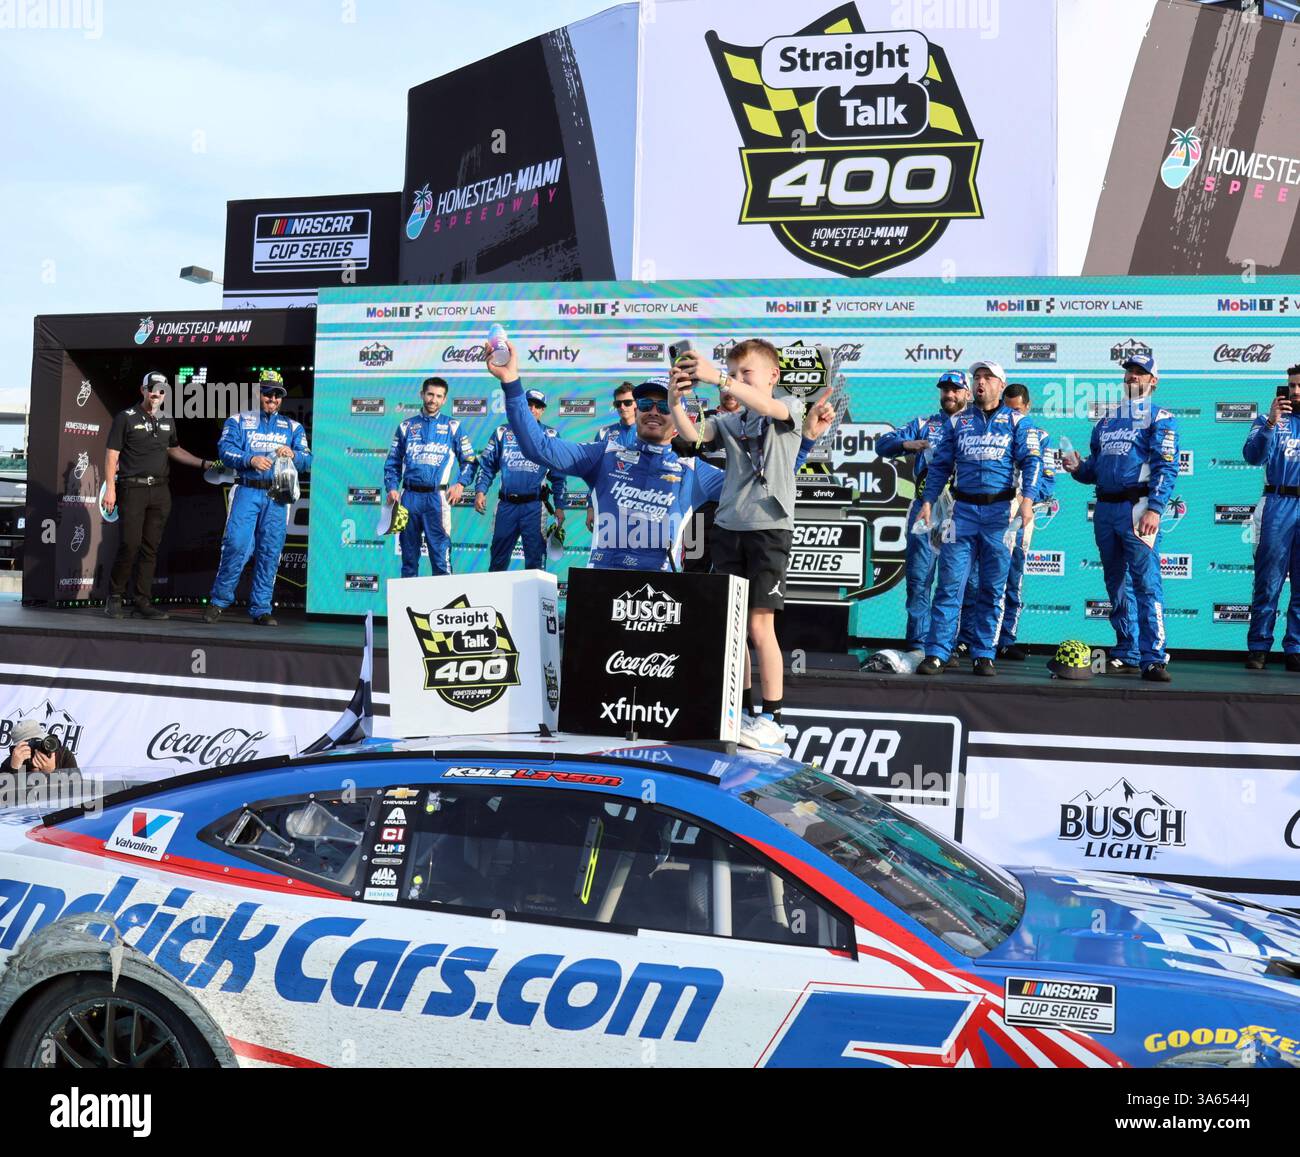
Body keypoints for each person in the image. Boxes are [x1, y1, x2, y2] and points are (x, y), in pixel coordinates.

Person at [668, 339, 817, 753]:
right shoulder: (733, 422)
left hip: (768, 529)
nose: (735, 382)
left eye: (744, 374)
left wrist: (718, 378)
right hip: (728, 526)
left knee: (758, 626)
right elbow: (693, 434)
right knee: (734, 627)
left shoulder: (789, 405)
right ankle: (745, 711)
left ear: (773, 376)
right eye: (732, 374)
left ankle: (774, 718)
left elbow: (768, 407)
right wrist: (674, 396)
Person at [913, 361, 1041, 677]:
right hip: (963, 513)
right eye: (977, 377)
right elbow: (941, 466)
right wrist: (928, 501)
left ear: (1001, 385)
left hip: (999, 514)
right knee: (950, 584)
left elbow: (1032, 463)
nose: (981, 382)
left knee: (992, 587)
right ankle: (937, 652)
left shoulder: (1018, 422)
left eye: (988, 377)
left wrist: (1027, 502)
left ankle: (984, 653)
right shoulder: (957, 423)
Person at [1061, 353, 1178, 682]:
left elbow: (1166, 467)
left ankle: (1154, 657)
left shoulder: (1161, 418)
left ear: (1153, 381)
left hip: (1138, 508)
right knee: (1115, 583)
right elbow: (1093, 471)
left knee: (1146, 583)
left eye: (1140, 373)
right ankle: (1127, 649)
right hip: (1106, 510)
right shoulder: (1107, 421)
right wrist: (1076, 468)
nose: (1132, 378)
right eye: (1128, 372)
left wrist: (1155, 508)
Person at [203, 371, 312, 626]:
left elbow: (308, 459)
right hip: (246, 489)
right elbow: (225, 450)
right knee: (237, 545)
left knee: (270, 551)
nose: (272, 398)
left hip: (277, 494)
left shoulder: (293, 427)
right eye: (267, 393)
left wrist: (294, 455)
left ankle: (261, 608)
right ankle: (219, 602)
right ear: (257, 394)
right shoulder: (237, 420)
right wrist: (249, 459)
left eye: (277, 394)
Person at [102, 370, 212, 621]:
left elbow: (174, 449)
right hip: (133, 487)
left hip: (161, 490)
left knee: (151, 548)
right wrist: (110, 488)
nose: (157, 394)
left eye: (162, 390)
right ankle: (115, 597)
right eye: (153, 389)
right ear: (143, 390)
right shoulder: (125, 418)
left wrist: (203, 463)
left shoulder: (167, 419)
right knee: (130, 544)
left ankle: (143, 601)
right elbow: (111, 455)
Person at [876, 370, 971, 652]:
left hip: (962, 513)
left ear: (967, 392)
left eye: (955, 389)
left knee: (955, 584)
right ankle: (918, 644)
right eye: (945, 389)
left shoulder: (977, 426)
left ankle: (947, 646)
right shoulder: (926, 424)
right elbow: (882, 444)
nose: (949, 395)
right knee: (919, 579)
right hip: (925, 509)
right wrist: (907, 444)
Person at [383, 377, 477, 578]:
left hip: (437, 499)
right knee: (408, 560)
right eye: (430, 394)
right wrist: (392, 487)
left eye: (438, 396)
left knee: (441, 560)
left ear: (444, 400)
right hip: (409, 498)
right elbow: (392, 463)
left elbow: (470, 460)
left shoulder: (453, 426)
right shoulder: (406, 427)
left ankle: (443, 608)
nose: (433, 399)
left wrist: (461, 483)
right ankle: (407, 608)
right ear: (422, 395)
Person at [991, 382, 1055, 661]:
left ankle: (1006, 640)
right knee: (978, 576)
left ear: (1027, 407)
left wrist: (1023, 497)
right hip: (990, 508)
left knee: (1013, 575)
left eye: (1016, 409)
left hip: (1020, 511)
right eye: (1006, 408)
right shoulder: (989, 431)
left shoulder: (1041, 437)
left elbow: (1048, 482)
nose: (1012, 414)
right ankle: (971, 639)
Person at [1243, 364, 1300, 672]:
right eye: (1291, 386)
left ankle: (1296, 648)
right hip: (1277, 502)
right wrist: (1269, 423)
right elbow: (1252, 456)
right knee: (1268, 581)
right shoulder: (1270, 420)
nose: (1296, 391)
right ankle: (1259, 647)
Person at [474, 388, 567, 571]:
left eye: (538, 406)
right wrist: (480, 491)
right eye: (528, 405)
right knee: (498, 562)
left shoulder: (551, 435)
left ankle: (535, 601)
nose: (533, 409)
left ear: (542, 410)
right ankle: (495, 600)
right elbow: (487, 466)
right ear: (521, 407)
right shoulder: (502, 432)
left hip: (534, 507)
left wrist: (560, 506)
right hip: (506, 506)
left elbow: (559, 477)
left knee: (535, 564)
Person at [587, 382, 639, 534]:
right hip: (609, 506)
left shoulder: (649, 433)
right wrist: (591, 506)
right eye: (618, 403)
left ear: (637, 403)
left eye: (628, 402)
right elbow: (593, 473)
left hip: (640, 506)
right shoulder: (604, 433)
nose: (622, 407)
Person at [7, 719, 78, 774]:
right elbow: (8, 792)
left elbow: (76, 789)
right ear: (17, 749)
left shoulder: (63, 756)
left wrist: (51, 772)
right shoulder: (13, 762)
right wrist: (16, 769)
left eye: (39, 742)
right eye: (29, 746)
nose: (35, 750)